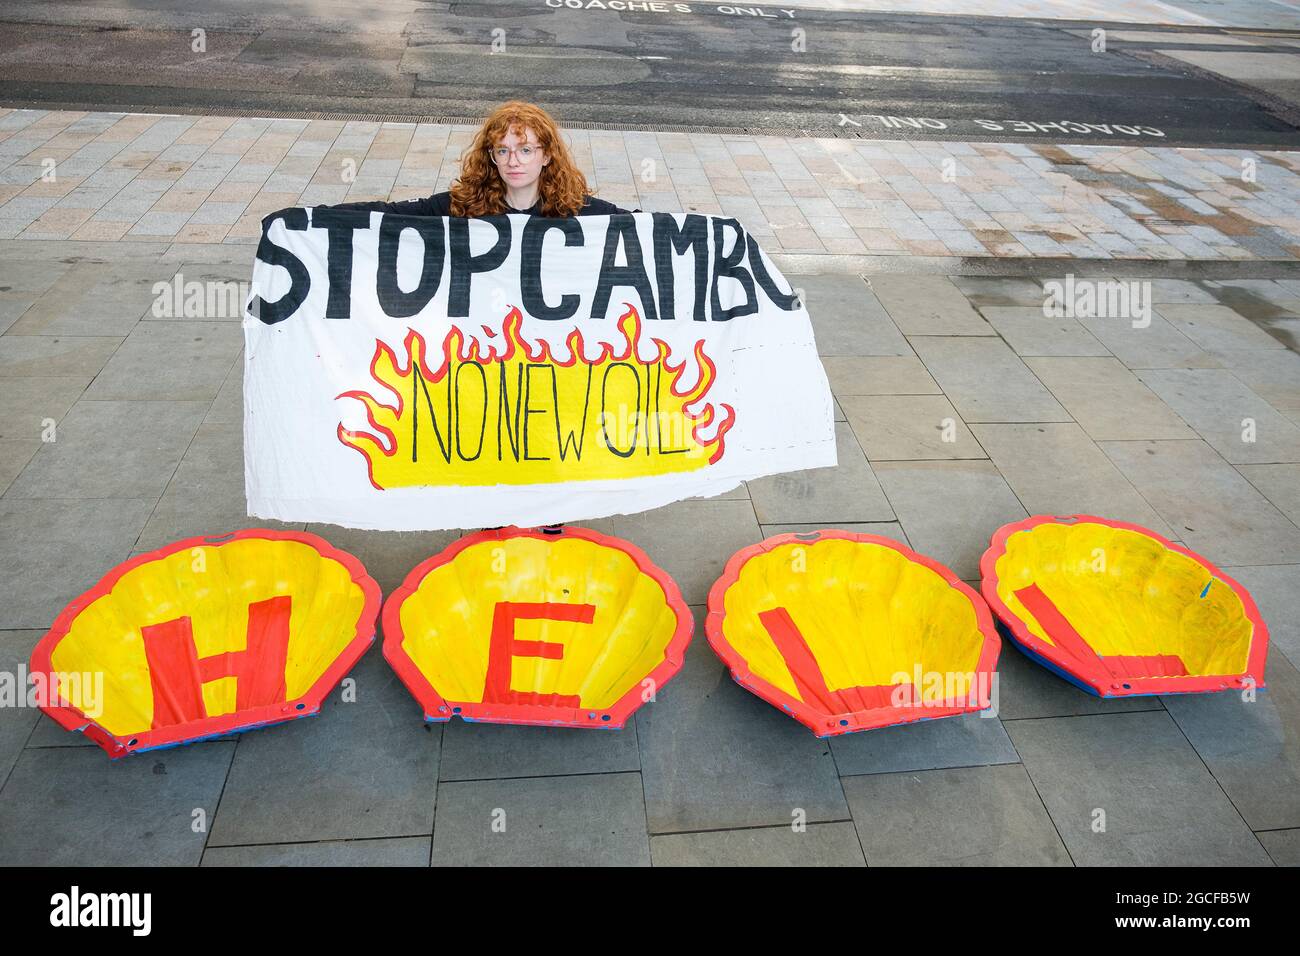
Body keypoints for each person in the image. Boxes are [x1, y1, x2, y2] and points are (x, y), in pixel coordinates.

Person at [325, 100, 638, 219]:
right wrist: (314, 218)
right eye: (503, 150)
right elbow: (390, 215)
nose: (513, 161)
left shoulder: (577, 211)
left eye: (526, 150)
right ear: (492, 156)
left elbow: (646, 227)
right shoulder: (465, 205)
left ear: (547, 156)